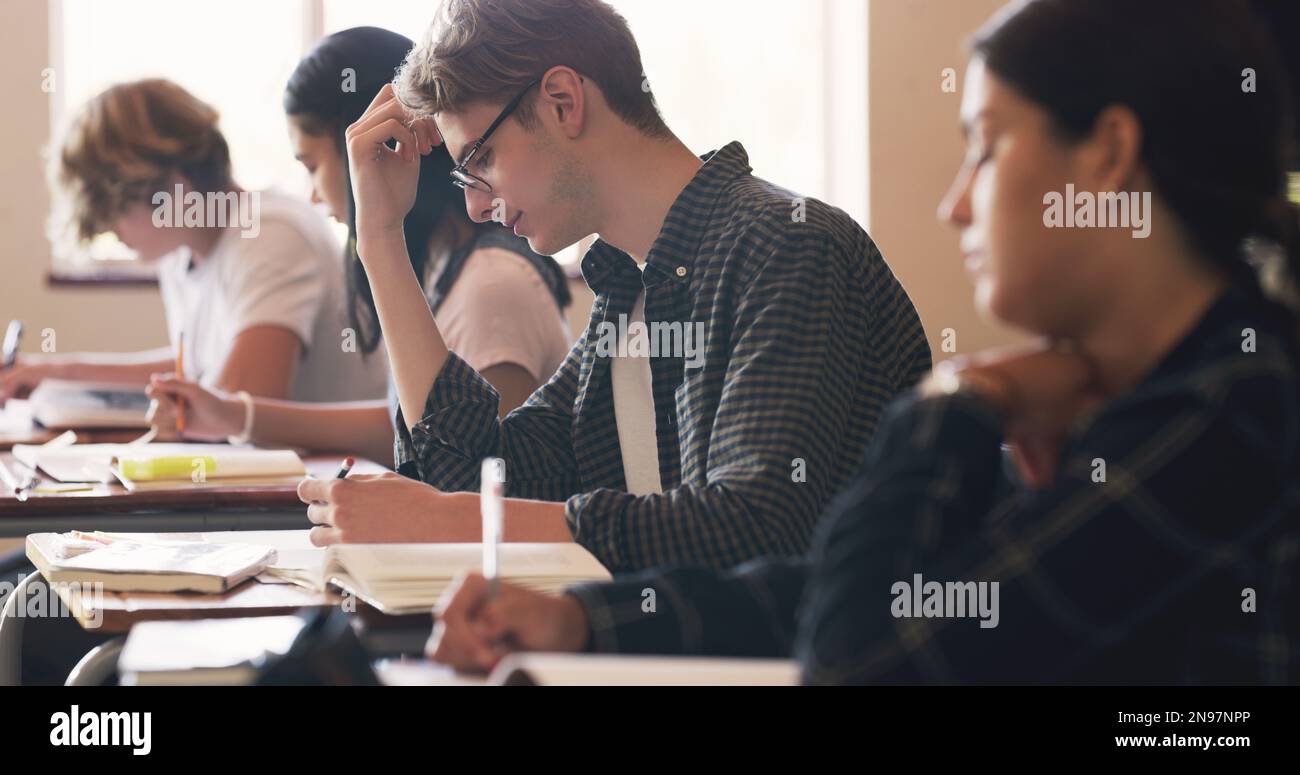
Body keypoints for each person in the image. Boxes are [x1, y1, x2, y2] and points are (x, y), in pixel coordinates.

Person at [427, 0, 1300, 685]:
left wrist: (957, 400)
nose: (954, 204)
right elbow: (905, 592)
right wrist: (581, 622)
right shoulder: (1139, 393)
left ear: (1109, 155)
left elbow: (861, 656)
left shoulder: (1235, 408)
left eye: (986, 148)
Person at [295, 0, 931, 571]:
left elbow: (755, 525)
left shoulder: (788, 246)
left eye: (480, 162)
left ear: (563, 102)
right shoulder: (627, 290)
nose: (476, 207)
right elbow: (486, 475)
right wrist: (379, 237)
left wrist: (455, 521)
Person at [145, 27, 574, 463]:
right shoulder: (448, 270)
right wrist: (237, 416)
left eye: (312, 166)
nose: (313, 195)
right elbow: (411, 424)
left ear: (383, 146)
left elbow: (471, 471)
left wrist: (376, 235)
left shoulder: (490, 285)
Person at [3, 78, 387, 405]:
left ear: (172, 189)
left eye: (113, 208)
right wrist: (52, 372)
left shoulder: (269, 233)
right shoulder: (185, 252)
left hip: (340, 480)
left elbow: (240, 403)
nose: (107, 228)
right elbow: (201, 370)